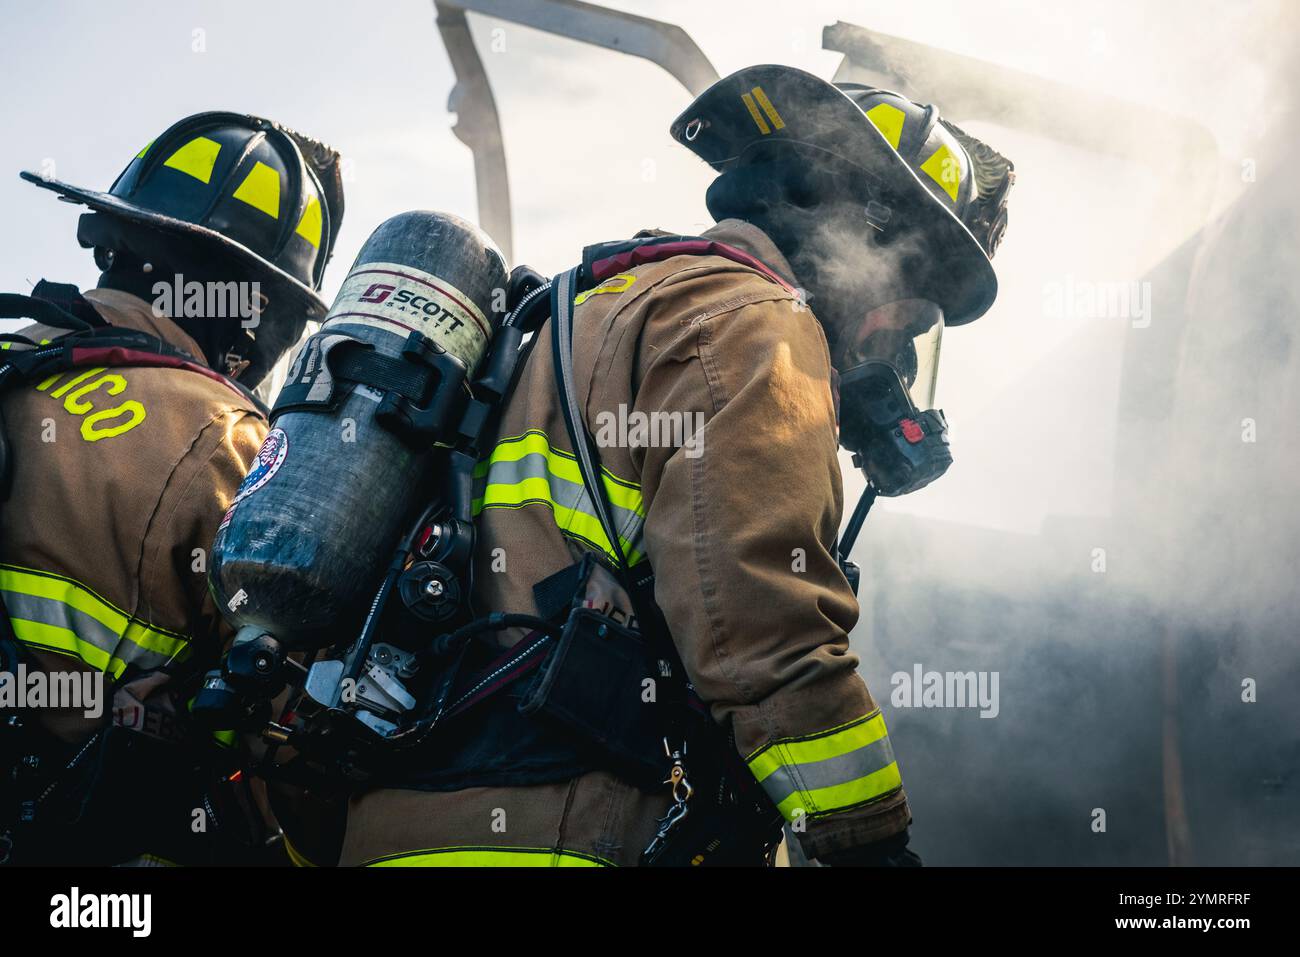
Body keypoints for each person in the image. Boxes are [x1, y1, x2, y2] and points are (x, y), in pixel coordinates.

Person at [334, 64, 1013, 867]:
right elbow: (759, 617)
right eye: (918, 307)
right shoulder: (758, 324)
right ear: (867, 241)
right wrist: (872, 843)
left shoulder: (578, 311)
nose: (896, 344)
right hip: (567, 836)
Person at [0, 111, 344, 865]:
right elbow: (303, 776)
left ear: (112, 237)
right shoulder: (231, 445)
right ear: (260, 317)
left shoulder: (9, 355)